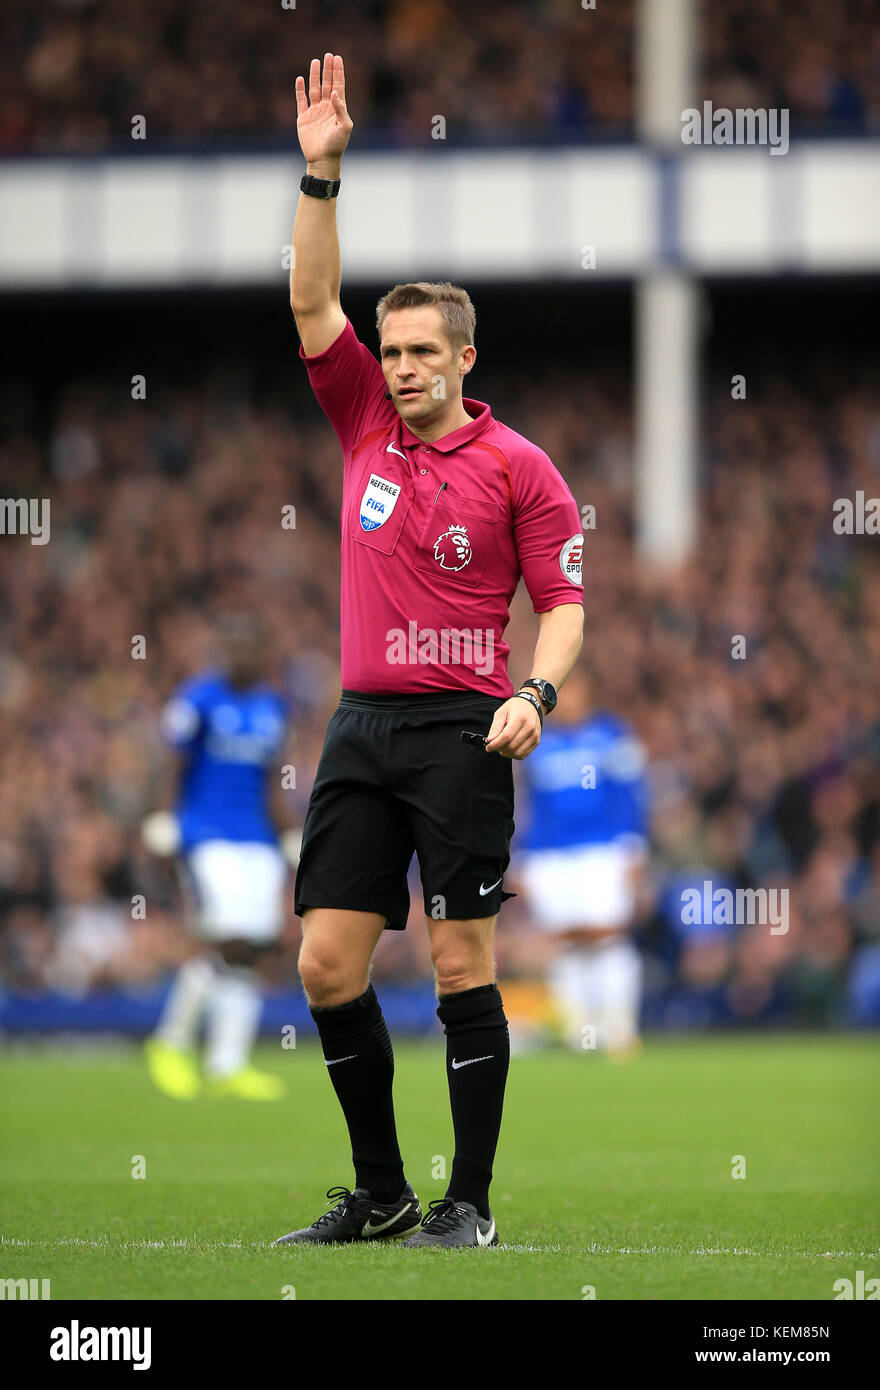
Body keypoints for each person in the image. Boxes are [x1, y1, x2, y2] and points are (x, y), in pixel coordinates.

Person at [274, 54, 584, 1249]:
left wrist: (537, 692)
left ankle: (471, 1203)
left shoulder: (521, 469)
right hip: (362, 725)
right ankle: (383, 1191)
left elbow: (561, 603)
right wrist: (321, 174)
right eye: (387, 350)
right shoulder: (358, 418)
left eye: (418, 352)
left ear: (462, 358)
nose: (396, 368)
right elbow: (310, 307)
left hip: (463, 730)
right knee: (324, 967)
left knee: (460, 965)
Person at [143, 613, 297, 1100]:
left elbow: (272, 779)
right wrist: (164, 821)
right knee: (229, 936)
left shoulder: (273, 706)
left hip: (258, 838)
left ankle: (227, 1061)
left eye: (246, 646)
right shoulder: (196, 698)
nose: (237, 654)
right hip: (207, 833)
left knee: (253, 946)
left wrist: (290, 833)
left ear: (261, 652)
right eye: (229, 644)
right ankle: (170, 1041)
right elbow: (173, 764)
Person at [515, 667, 649, 1057]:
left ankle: (620, 1029)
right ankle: (581, 1033)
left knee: (609, 937)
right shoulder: (538, 743)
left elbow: (632, 796)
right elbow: (530, 809)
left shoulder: (614, 736)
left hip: (602, 852)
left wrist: (634, 848)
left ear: (589, 693)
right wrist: (524, 860)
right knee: (565, 945)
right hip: (551, 858)